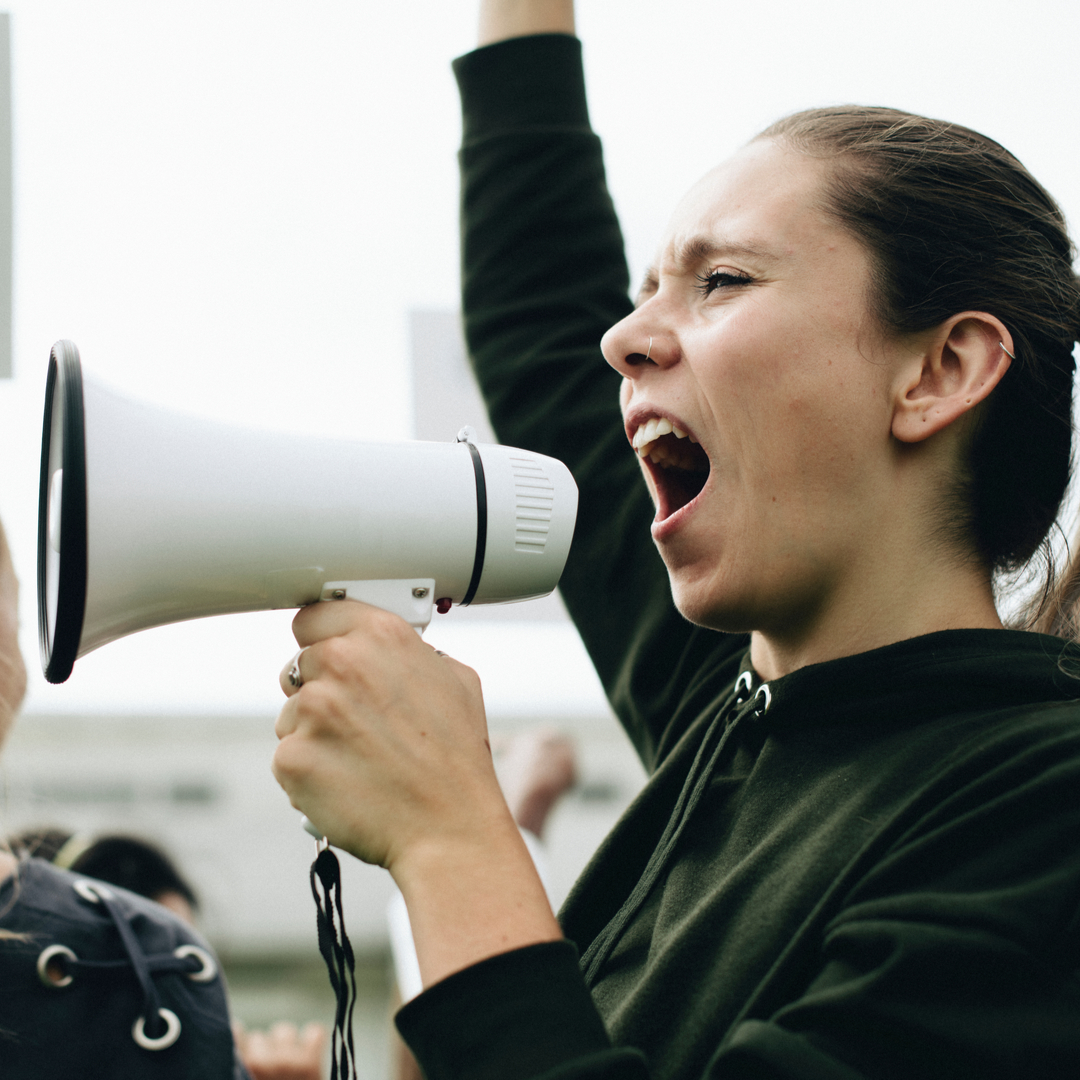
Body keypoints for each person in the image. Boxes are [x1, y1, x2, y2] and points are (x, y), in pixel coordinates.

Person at [270, 2, 1080, 1077]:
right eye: (649, 290)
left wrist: (452, 838)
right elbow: (548, 324)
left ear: (939, 372)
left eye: (723, 281)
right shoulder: (738, 710)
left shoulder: (1038, 806)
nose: (626, 338)